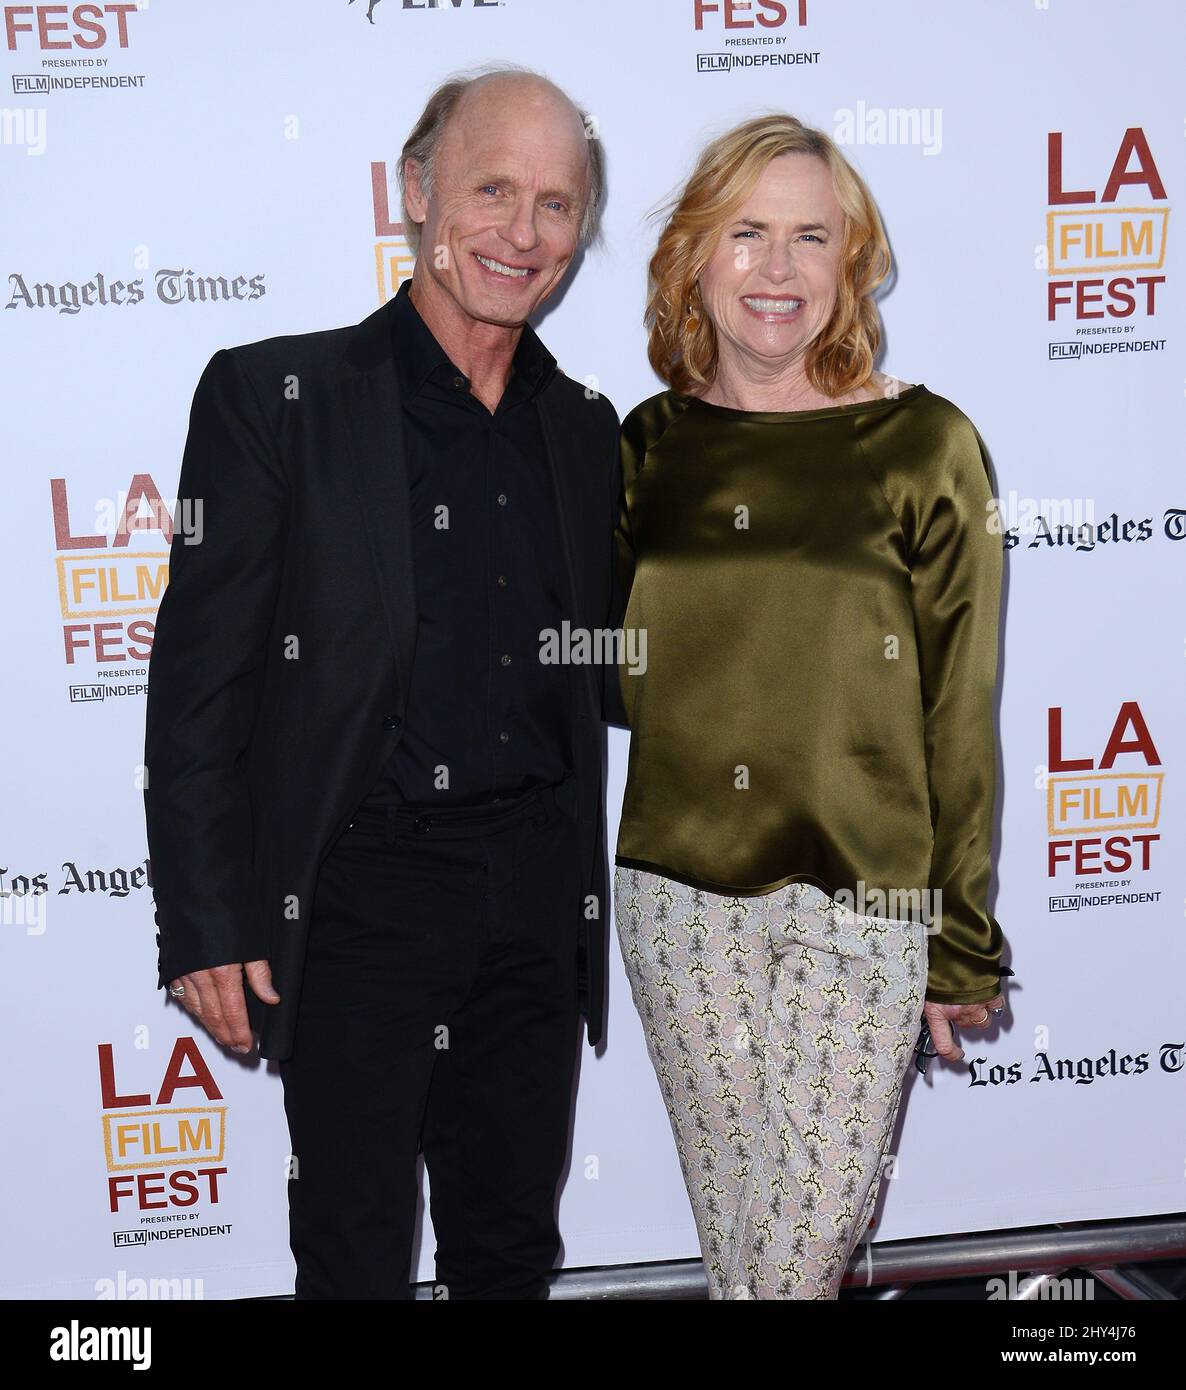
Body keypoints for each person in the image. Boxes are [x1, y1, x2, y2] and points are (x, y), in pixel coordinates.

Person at [143, 64, 620, 1300]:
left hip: (532, 901)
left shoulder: (584, 429)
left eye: (557, 205)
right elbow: (199, 683)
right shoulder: (276, 398)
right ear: (416, 191)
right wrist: (204, 921)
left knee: (509, 1253)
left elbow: (622, 674)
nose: (524, 233)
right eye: (494, 190)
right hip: (360, 900)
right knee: (351, 1263)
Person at [609, 114, 1008, 1300]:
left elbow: (960, 704)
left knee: (780, 1270)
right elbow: (605, 676)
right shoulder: (647, 446)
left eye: (808, 238)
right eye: (745, 234)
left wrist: (959, 939)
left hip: (864, 902)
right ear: (694, 255)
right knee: (750, 1256)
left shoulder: (926, 444)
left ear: (850, 263)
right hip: (677, 899)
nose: (775, 270)